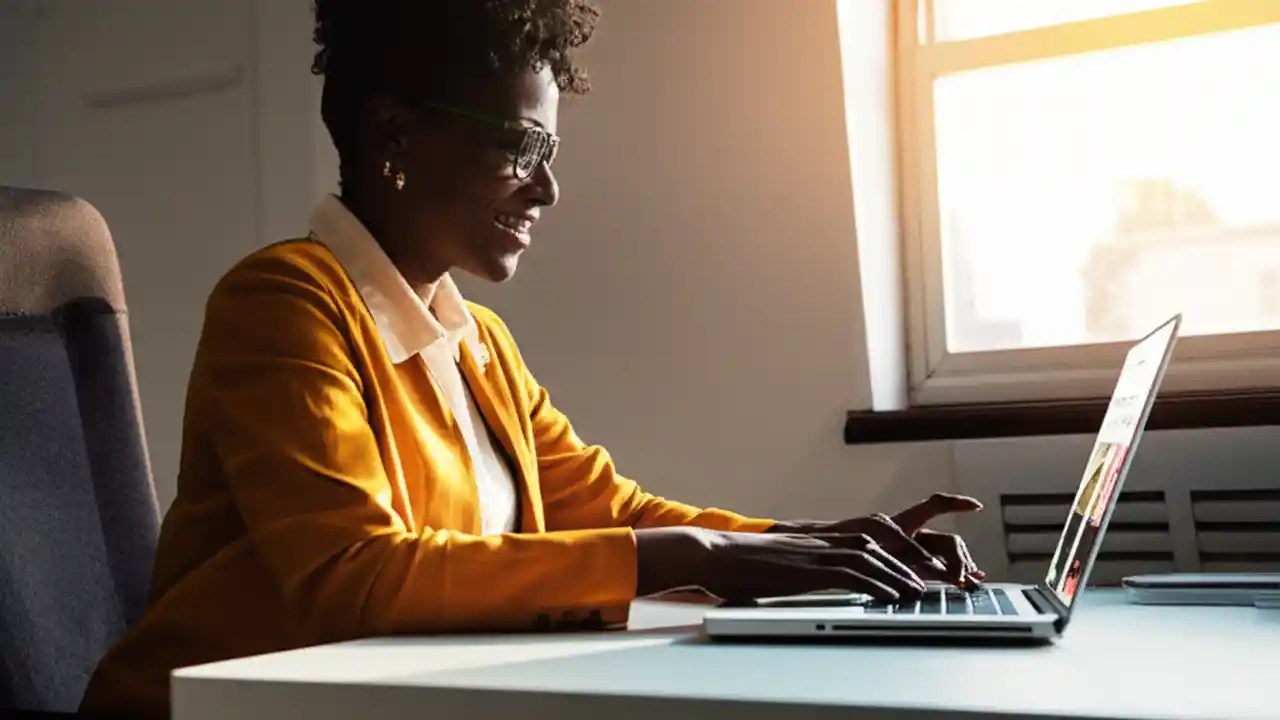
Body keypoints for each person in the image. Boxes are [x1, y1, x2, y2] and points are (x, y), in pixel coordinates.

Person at [80, 2, 984, 717]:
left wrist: (813, 544)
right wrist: (689, 556)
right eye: (524, 145)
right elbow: (352, 577)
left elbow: (609, 509)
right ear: (395, 136)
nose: (548, 188)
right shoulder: (283, 303)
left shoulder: (477, 343)